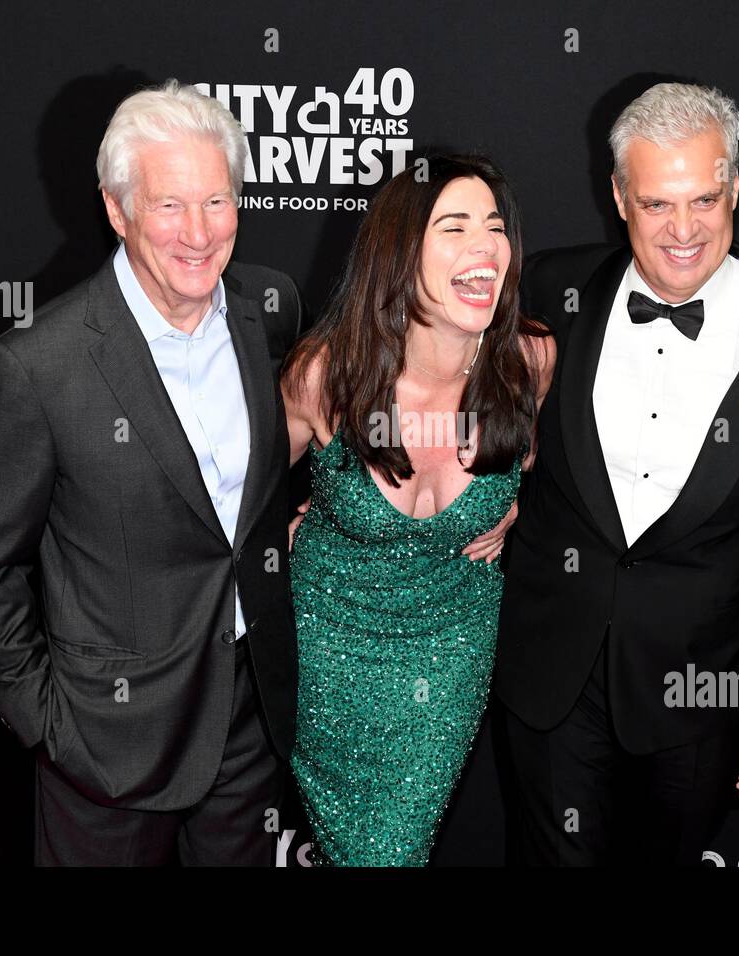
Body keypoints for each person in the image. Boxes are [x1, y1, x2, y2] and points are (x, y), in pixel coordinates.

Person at [495, 82, 739, 865]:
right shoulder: (544, 293)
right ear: (619, 196)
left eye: (704, 198)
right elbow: (439, 392)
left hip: (701, 690)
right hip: (549, 672)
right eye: (659, 204)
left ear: (734, 186)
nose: (684, 229)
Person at [0, 79, 303, 865]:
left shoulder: (266, 312)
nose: (200, 232)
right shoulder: (38, 366)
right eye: (170, 205)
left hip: (250, 718)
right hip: (107, 742)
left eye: (217, 201)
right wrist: (50, 724)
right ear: (117, 210)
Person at [281, 155, 554, 865]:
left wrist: (516, 507)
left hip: (448, 657)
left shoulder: (530, 362)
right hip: (325, 652)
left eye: (495, 228)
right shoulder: (324, 376)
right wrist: (268, 543)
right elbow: (232, 499)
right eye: (454, 226)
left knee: (392, 850)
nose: (485, 246)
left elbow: (566, 479)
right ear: (401, 253)